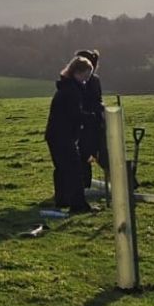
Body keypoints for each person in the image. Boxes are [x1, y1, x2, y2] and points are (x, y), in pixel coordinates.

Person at [47, 55, 96, 214]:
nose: (86, 80)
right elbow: (75, 114)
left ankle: (62, 200)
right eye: (85, 76)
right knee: (74, 170)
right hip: (63, 136)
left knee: (62, 169)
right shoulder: (71, 91)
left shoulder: (66, 87)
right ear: (77, 73)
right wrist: (94, 117)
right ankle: (78, 205)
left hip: (56, 135)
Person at [76, 49, 106, 188]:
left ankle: (85, 186)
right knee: (93, 154)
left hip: (88, 123)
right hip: (95, 122)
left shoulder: (86, 82)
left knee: (84, 155)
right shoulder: (95, 80)